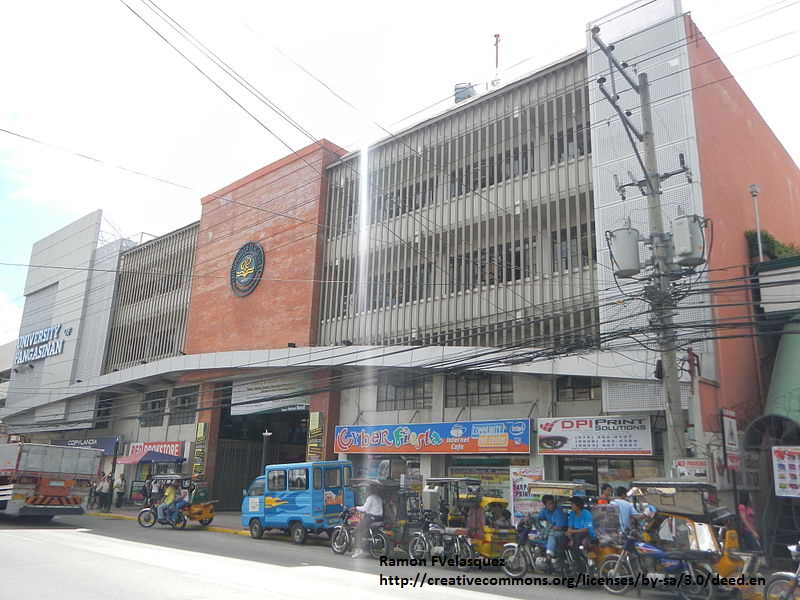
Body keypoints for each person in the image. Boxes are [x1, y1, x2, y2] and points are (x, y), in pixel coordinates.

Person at [352, 484, 383, 559]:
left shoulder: (370, 498)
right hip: (379, 517)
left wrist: (356, 508)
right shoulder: (378, 497)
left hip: (372, 517)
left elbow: (364, 509)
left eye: (366, 490)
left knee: (357, 531)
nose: (366, 492)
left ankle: (358, 550)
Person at [537, 495, 568, 568]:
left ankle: (548, 559)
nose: (552, 505)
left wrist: (549, 528)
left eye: (552, 503)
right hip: (552, 531)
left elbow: (559, 527)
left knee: (551, 536)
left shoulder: (558, 512)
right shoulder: (545, 511)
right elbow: (538, 517)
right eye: (549, 504)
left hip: (561, 532)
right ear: (545, 505)